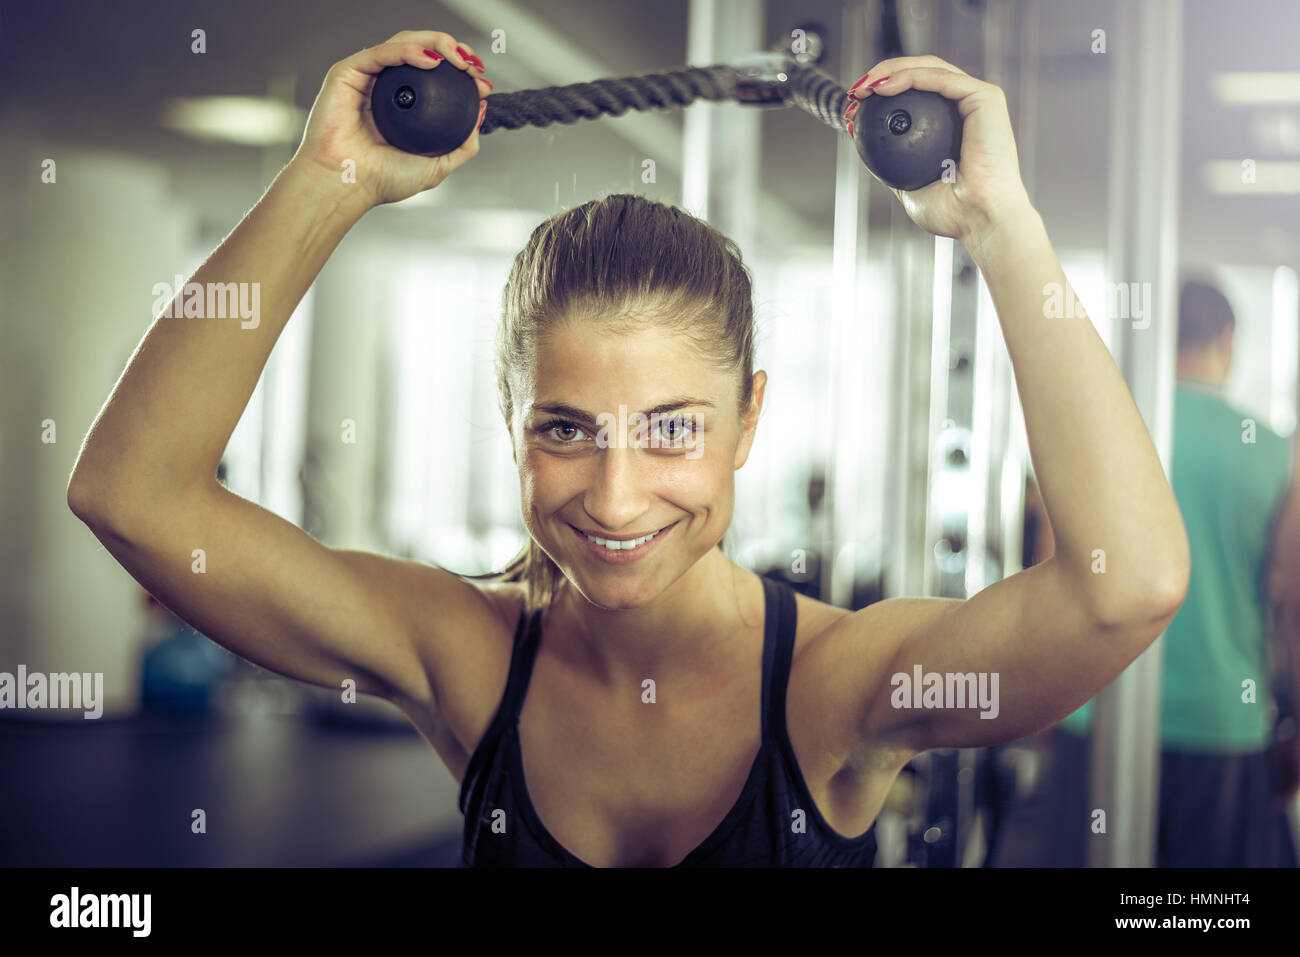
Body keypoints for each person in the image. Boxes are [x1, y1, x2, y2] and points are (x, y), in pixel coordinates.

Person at [66, 31, 1190, 867]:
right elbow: (133, 493)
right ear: (510, 425)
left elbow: (1125, 589)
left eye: (671, 430)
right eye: (565, 429)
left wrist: (1004, 228)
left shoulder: (831, 687)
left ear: (748, 419)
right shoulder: (462, 656)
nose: (613, 497)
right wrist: (327, 183)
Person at [1044, 278, 1300, 867]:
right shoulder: (1271, 451)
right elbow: (1292, 605)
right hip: (1222, 725)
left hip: (1097, 716)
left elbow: (1050, 577)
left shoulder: (1105, 434)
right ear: (1228, 340)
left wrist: (1043, 711)